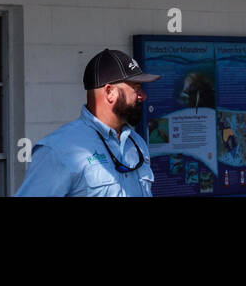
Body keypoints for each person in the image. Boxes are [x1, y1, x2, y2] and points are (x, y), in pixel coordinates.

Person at [15, 48, 159, 196]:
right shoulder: (58, 150)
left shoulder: (136, 143)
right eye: (136, 88)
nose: (144, 96)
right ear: (110, 92)